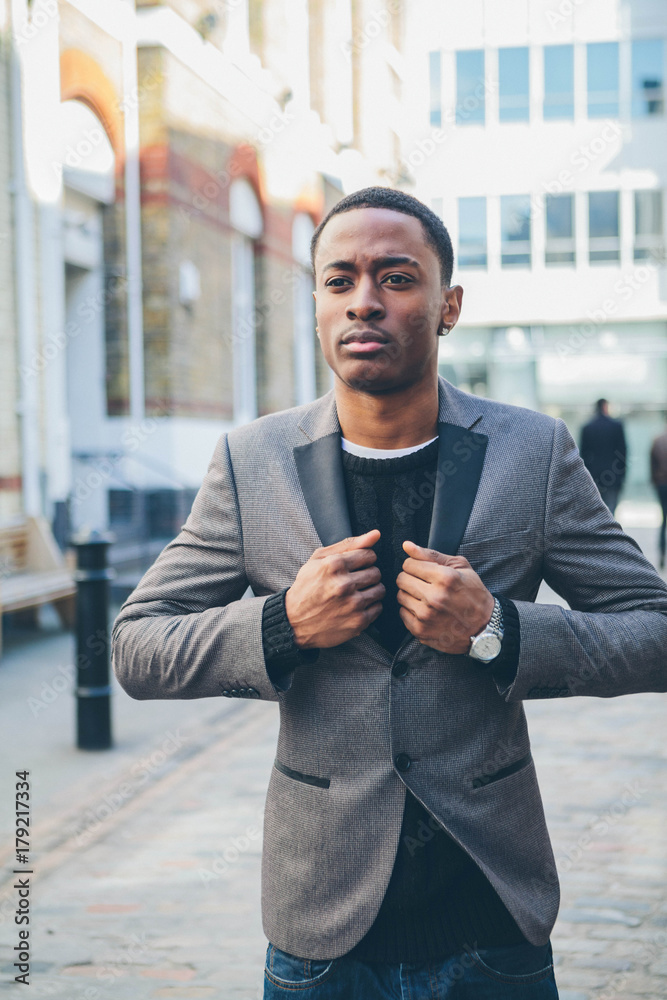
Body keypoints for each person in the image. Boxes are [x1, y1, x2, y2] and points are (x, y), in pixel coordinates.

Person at [111, 187, 667, 1000]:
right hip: (320, 931)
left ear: (448, 306)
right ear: (316, 306)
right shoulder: (251, 461)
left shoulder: (533, 451)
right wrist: (280, 627)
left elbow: (652, 630)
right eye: (338, 281)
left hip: (491, 924)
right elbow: (137, 647)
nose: (363, 301)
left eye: (395, 278)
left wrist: (497, 633)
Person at [579, 399, 627, 515]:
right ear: (605, 407)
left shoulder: (587, 428)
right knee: (610, 512)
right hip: (613, 476)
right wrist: (621, 475)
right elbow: (622, 453)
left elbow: (582, 456)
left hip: (593, 477)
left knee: (595, 513)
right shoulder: (616, 426)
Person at [650, 424, 667, 569]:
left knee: (664, 519)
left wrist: (656, 482)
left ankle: (662, 553)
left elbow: (652, 464)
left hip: (662, 484)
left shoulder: (658, 440)